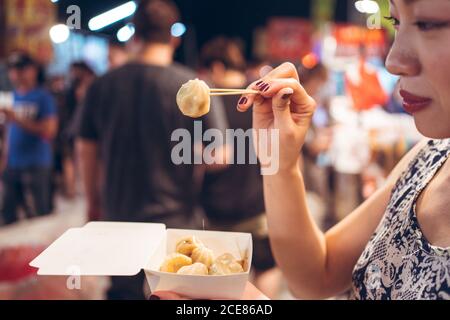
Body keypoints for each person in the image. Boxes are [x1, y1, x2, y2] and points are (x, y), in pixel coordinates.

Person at [155, 0, 450, 300]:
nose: (393, 60)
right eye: (397, 22)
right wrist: (280, 162)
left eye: (428, 24)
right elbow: (317, 274)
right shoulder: (428, 160)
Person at [76, 0, 227, 299]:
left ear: (134, 34)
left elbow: (86, 149)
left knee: (123, 291)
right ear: (174, 38)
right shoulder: (193, 85)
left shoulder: (102, 85)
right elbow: (221, 155)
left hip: (119, 213)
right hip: (176, 217)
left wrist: (93, 202)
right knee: (175, 291)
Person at [198, 37, 279, 298]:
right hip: (257, 204)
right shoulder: (259, 99)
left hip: (217, 210)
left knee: (222, 279)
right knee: (266, 269)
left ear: (217, 67)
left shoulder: (208, 105)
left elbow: (212, 160)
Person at [0, 53, 57, 225]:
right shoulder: (10, 97)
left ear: (33, 70)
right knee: (9, 216)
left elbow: (50, 129)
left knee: (41, 215)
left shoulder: (43, 96)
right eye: (13, 69)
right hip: (13, 163)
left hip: (37, 163)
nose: (17, 73)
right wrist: (4, 158)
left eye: (21, 69)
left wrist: (16, 118)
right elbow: (9, 132)